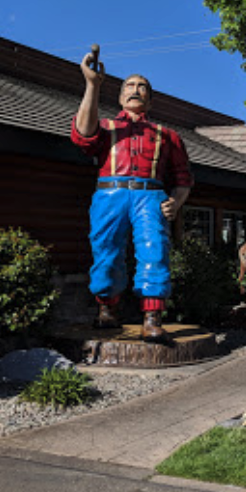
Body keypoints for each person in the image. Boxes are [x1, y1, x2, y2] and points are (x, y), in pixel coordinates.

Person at [70, 51, 192, 343]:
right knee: (106, 251)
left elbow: (183, 177)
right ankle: (107, 310)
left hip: (150, 196)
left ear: (150, 99)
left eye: (142, 86)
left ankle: (151, 318)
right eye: (129, 85)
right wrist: (92, 85)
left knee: (155, 251)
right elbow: (82, 134)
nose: (135, 89)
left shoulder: (167, 135)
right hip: (109, 195)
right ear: (120, 96)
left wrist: (176, 201)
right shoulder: (107, 128)